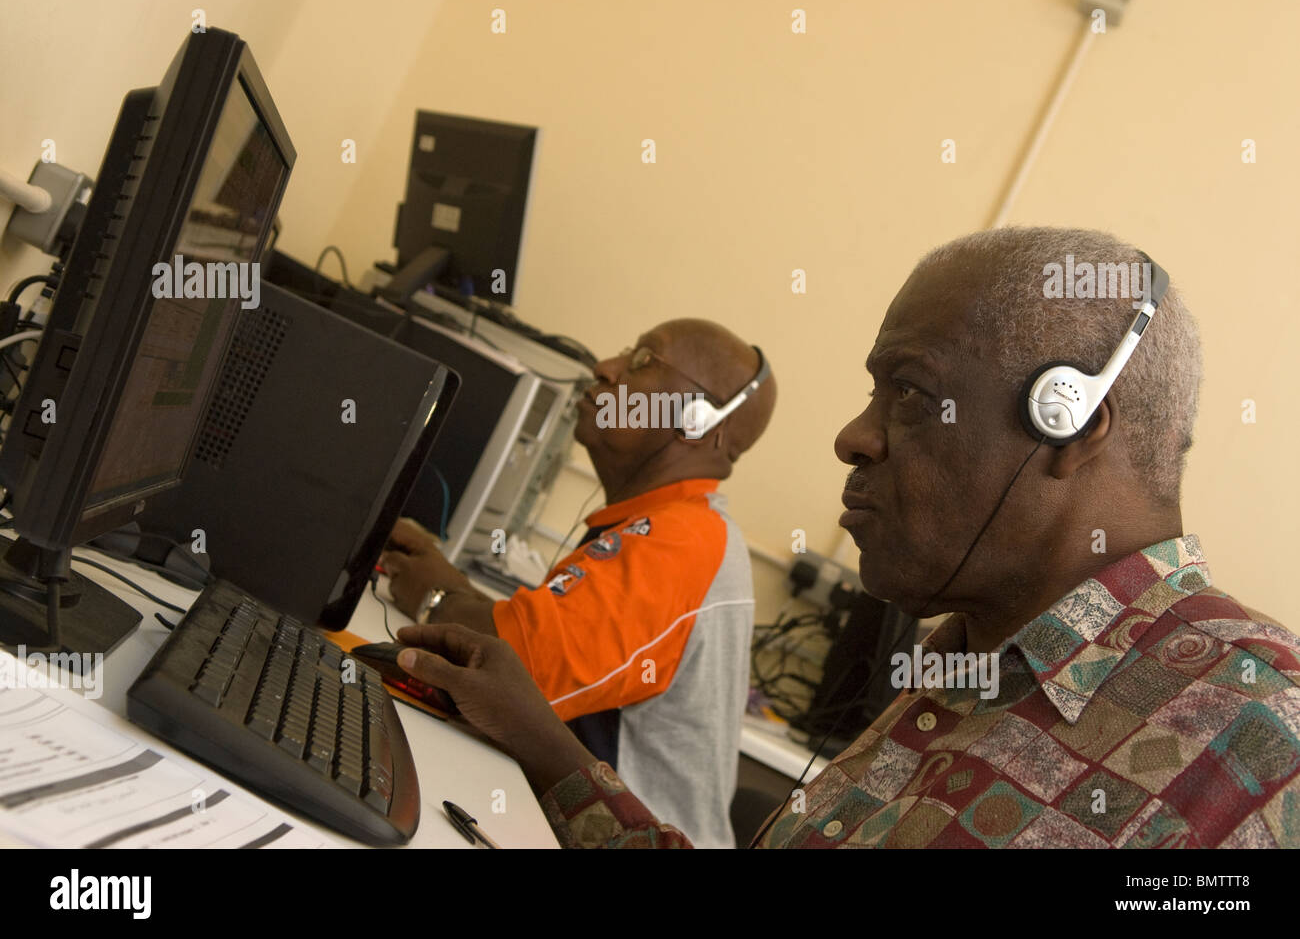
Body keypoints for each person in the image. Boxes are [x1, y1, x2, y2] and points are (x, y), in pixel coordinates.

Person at [392, 227, 1300, 848]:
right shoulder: (966, 665)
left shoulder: (1263, 725)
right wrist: (549, 753)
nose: (853, 437)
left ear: (1068, 423)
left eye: (906, 392)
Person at [379, 318, 777, 847]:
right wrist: (454, 584)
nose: (604, 368)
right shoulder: (674, 521)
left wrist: (435, 598)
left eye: (641, 362)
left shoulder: (686, 540)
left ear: (698, 422)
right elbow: (549, 631)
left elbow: (515, 675)